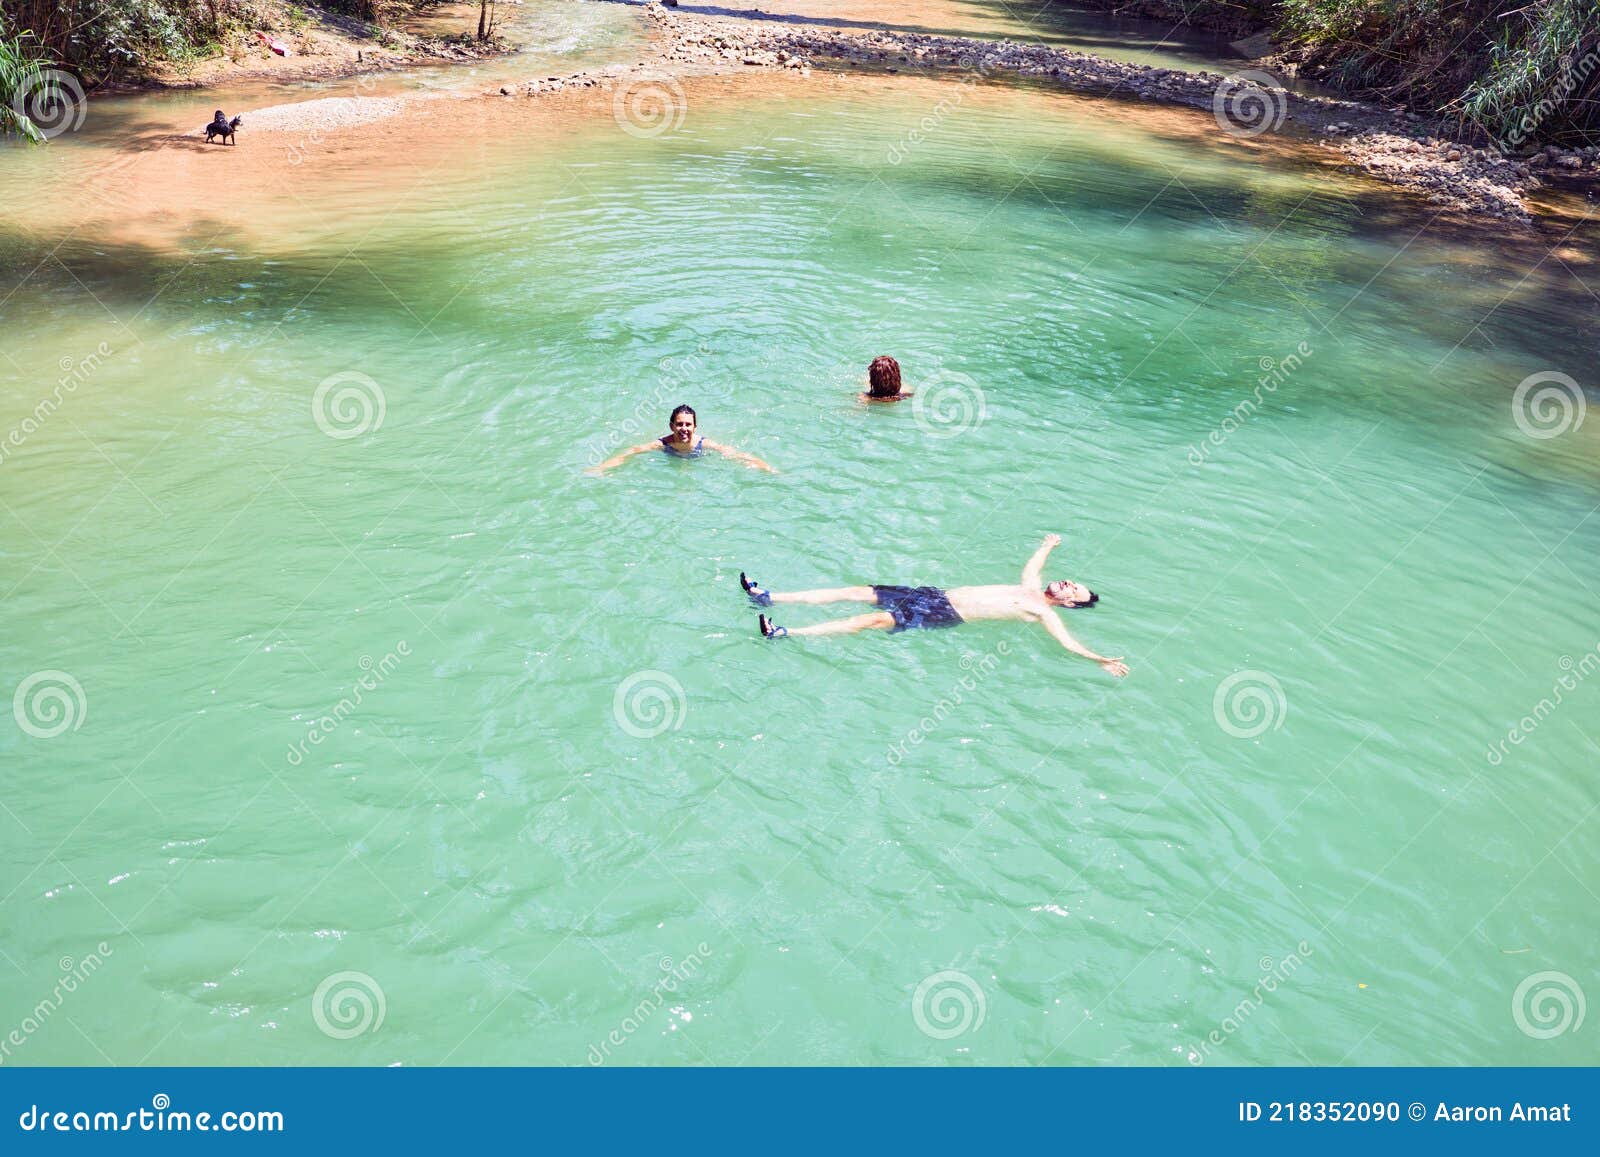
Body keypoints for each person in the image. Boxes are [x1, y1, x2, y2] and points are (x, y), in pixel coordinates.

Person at [740, 534, 1128, 676]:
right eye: (1072, 581)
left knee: (873, 620)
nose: (1067, 583)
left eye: (1073, 590)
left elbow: (1066, 644)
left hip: (943, 614)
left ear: (1070, 605)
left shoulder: (1042, 611)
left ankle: (785, 633)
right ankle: (768, 596)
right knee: (860, 590)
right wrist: (1047, 546)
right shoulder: (1030, 587)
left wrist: (1101, 660)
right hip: (934, 594)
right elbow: (1035, 565)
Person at [592, 405, 777, 474]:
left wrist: (765, 467)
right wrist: (602, 468)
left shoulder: (704, 443)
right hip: (673, 457)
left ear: (695, 427)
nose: (684, 429)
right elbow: (631, 452)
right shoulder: (662, 444)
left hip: (697, 459)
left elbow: (735, 454)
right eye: (680, 424)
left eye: (688, 425)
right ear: (671, 426)